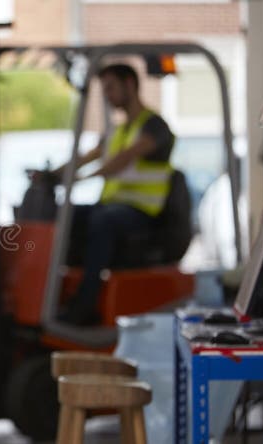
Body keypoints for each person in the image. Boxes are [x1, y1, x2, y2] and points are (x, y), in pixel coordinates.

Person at [57, 64, 175, 326]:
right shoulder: (117, 130)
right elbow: (86, 156)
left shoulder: (154, 126)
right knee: (67, 215)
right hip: (113, 206)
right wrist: (53, 174)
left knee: (103, 221)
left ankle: (85, 305)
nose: (107, 95)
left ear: (130, 85)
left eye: (110, 87)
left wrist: (84, 178)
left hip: (143, 213)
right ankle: (59, 295)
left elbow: (125, 158)